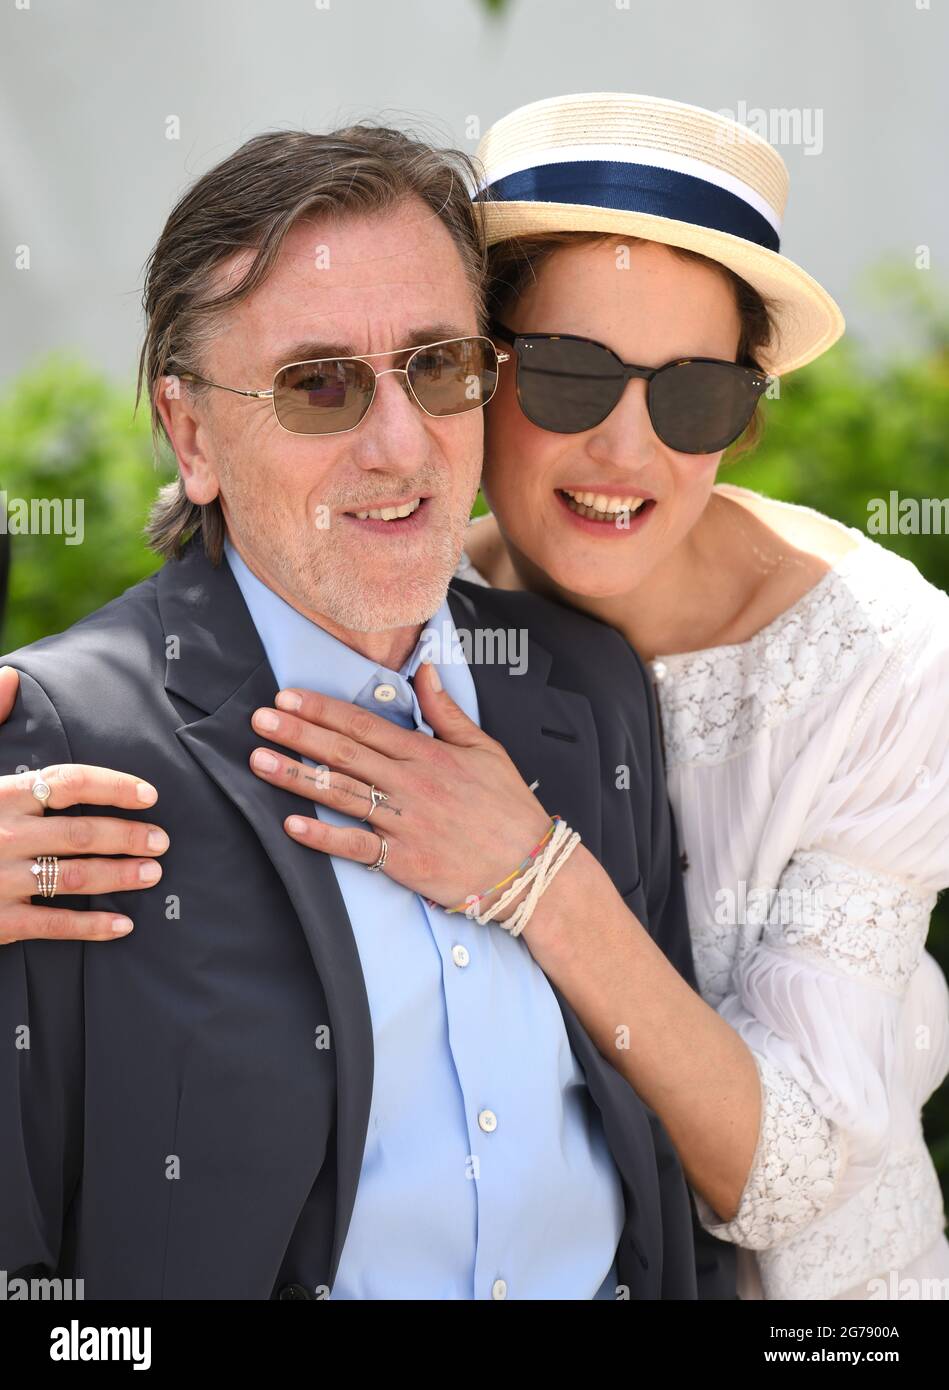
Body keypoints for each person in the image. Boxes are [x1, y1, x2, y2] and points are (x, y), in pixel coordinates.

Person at [0, 124, 736, 1300]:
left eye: (440, 366)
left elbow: (665, 1173)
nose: (403, 447)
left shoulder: (589, 688)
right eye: (320, 384)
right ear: (191, 433)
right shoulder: (69, 745)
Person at [449, 92, 949, 1300]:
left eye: (690, 396)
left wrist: (536, 875)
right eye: (568, 375)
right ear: (474, 369)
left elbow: (789, 1174)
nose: (626, 450)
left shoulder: (884, 661)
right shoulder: (396, 613)